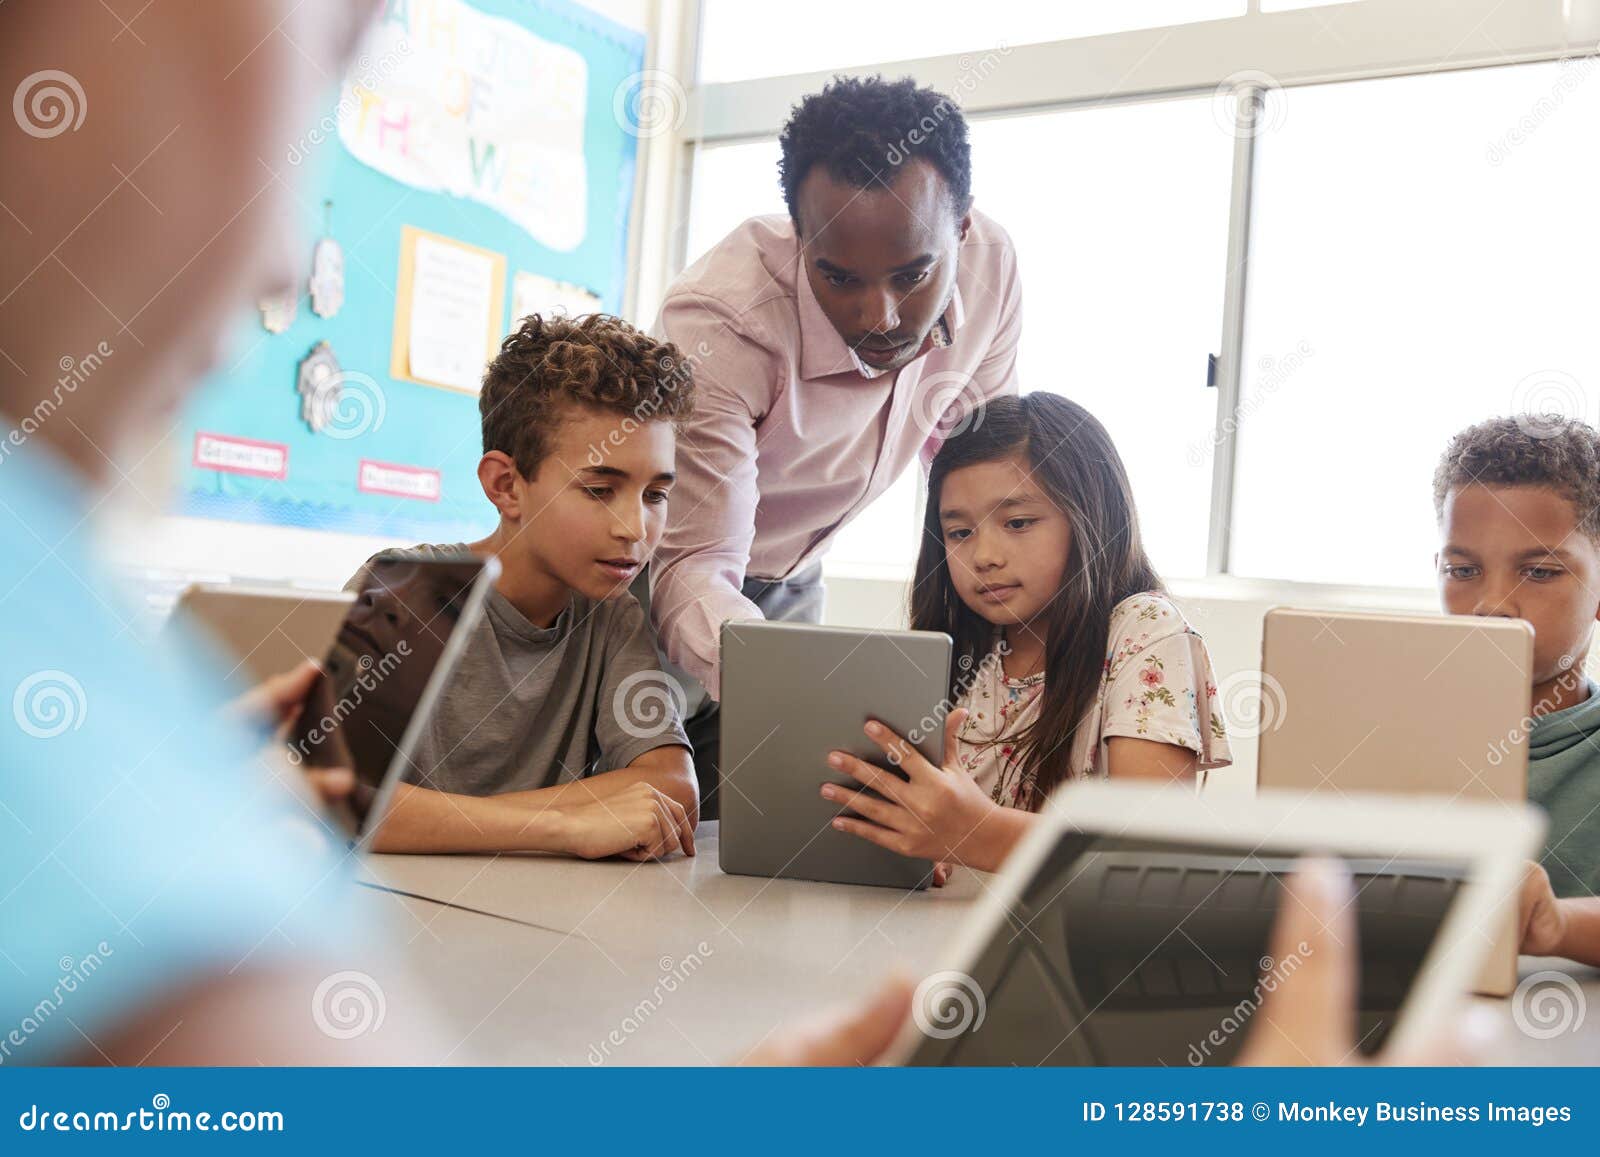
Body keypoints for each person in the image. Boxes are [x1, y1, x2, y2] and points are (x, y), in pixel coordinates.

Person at [648, 75, 1023, 815]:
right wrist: (804, 686)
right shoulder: (721, 324)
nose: (879, 315)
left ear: (963, 230)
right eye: (839, 276)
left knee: (782, 822)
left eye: (914, 274)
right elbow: (694, 563)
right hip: (666, 582)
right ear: (797, 237)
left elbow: (983, 485)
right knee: (653, 815)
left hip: (794, 578)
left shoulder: (993, 272)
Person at [825, 394, 1231, 873]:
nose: (984, 556)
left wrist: (971, 835)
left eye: (1017, 523)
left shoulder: (1143, 631)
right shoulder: (955, 654)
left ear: (1092, 518)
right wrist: (916, 846)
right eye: (959, 533)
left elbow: (1146, 850)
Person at [348, 314, 699, 860]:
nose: (634, 528)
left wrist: (442, 820)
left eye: (656, 495)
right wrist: (566, 828)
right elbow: (334, 798)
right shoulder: (403, 590)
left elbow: (671, 785)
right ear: (507, 487)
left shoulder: (611, 613)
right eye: (601, 490)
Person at [1433, 417, 1600, 961]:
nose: (1492, 604)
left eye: (1540, 572)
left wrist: (1557, 925)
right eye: (1463, 570)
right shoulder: (1385, 731)